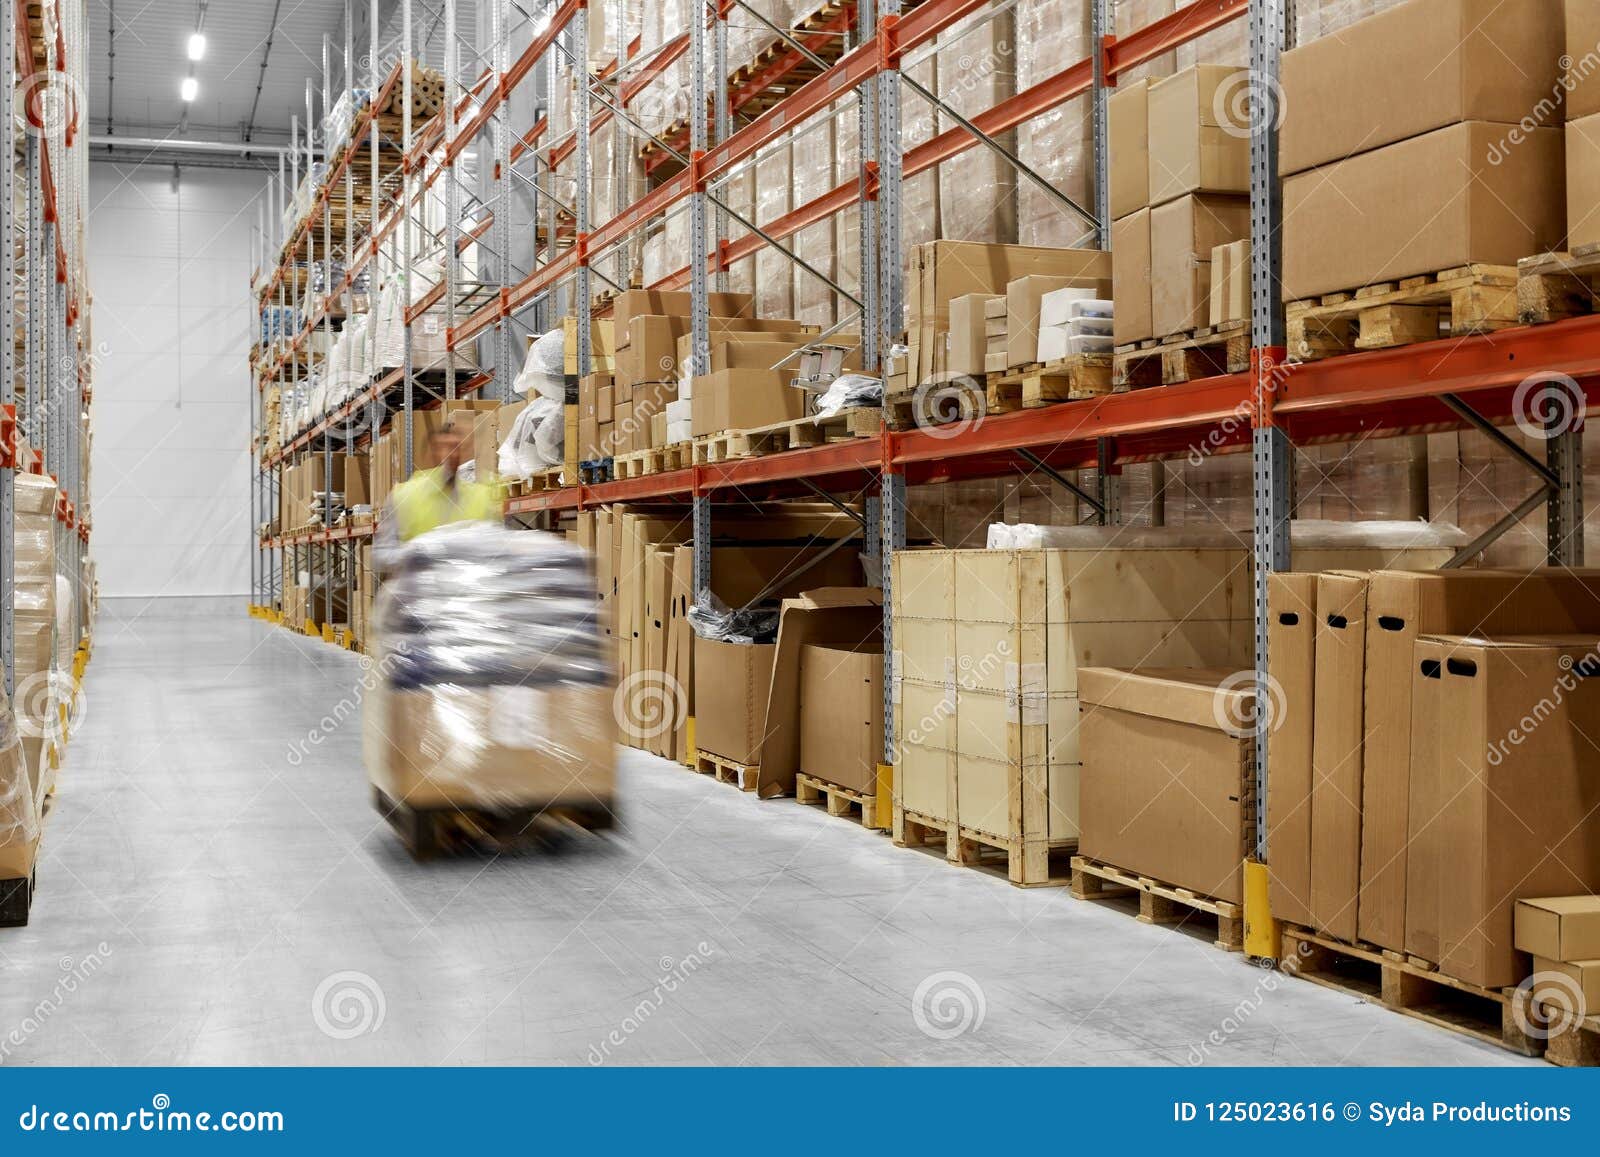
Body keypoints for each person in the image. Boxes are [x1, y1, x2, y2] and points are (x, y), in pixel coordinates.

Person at [375, 421, 500, 563]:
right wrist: (413, 553)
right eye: (444, 447)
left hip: (466, 582)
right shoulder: (403, 496)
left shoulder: (481, 496)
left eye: (456, 447)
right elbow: (381, 553)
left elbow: (495, 546)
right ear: (430, 454)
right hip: (419, 582)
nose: (452, 454)